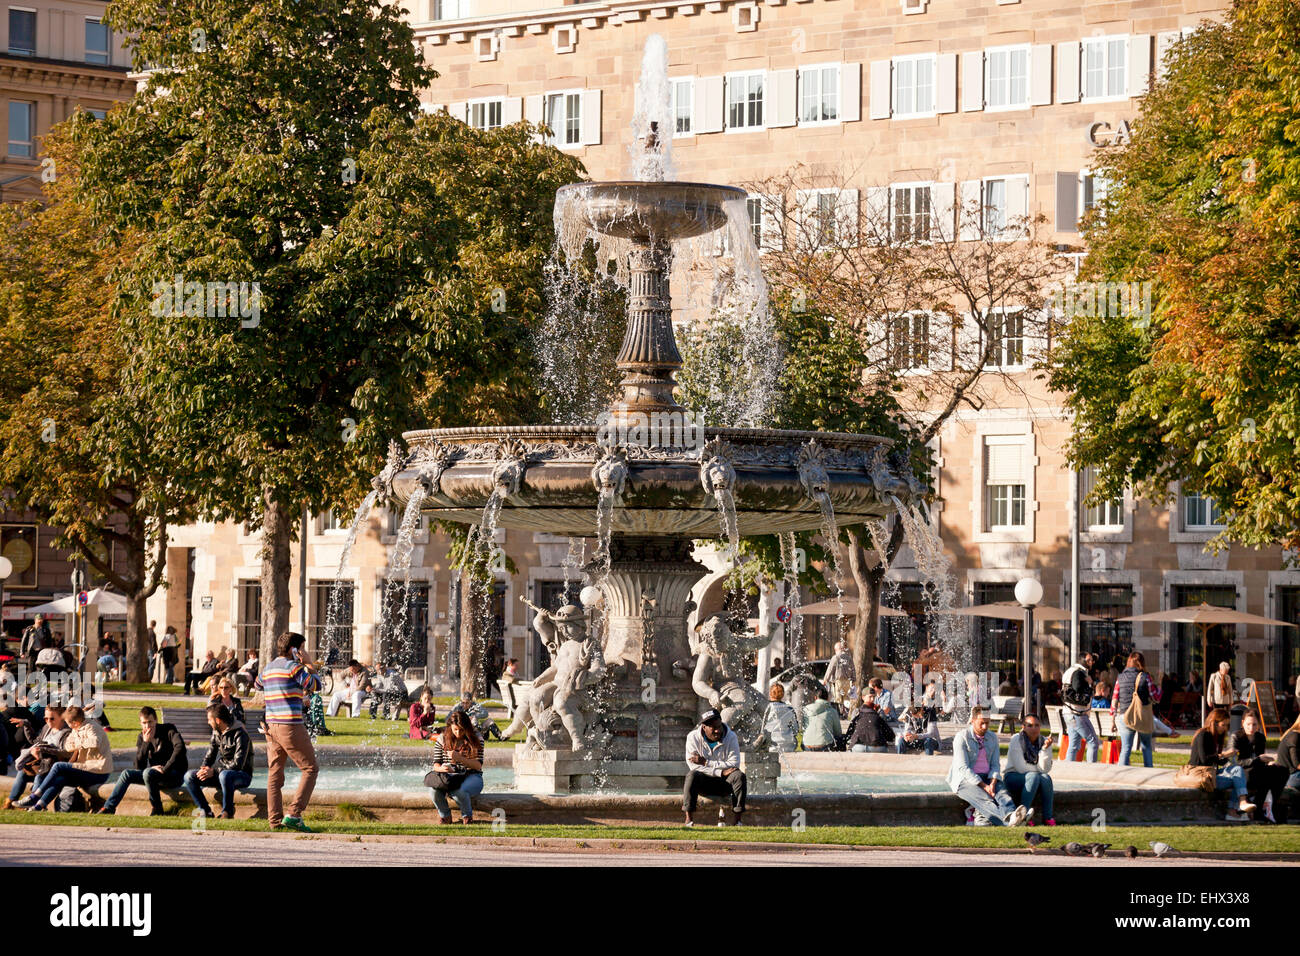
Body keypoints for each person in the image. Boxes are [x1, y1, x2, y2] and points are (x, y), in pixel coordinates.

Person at [255, 632, 321, 832]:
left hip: (271, 726)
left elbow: (257, 684)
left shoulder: (268, 668)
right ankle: (294, 814)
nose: (304, 652)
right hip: (290, 726)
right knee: (310, 768)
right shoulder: (294, 667)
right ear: (294, 650)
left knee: (275, 774)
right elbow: (316, 685)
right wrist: (308, 663)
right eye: (302, 648)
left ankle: (274, 821)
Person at [15, 705, 114, 811]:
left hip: (98, 772)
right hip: (86, 768)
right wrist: (78, 743)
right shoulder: (76, 729)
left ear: (75, 722)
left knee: (58, 766)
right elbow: (68, 746)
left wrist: (77, 743)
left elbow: (95, 742)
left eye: (68, 723)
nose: (67, 725)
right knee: (60, 779)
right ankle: (38, 806)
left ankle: (34, 796)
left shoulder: (91, 727)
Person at [97, 706, 188, 816]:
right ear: (140, 723)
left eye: (150, 722)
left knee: (148, 773)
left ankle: (157, 808)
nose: (147, 726)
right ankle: (109, 807)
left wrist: (165, 768)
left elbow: (180, 747)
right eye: (144, 723)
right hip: (154, 775)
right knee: (126, 774)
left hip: (174, 774)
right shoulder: (142, 737)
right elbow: (139, 767)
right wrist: (145, 743)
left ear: (156, 720)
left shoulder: (169, 729)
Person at [947, 707, 1029, 827]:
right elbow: (963, 768)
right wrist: (984, 786)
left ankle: (1012, 816)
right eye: (982, 723)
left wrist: (993, 782)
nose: (985, 727)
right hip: (965, 780)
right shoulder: (962, 737)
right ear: (973, 721)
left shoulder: (992, 737)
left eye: (987, 723)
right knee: (986, 800)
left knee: (1003, 795)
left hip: (988, 777)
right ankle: (1011, 822)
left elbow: (995, 764)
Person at [180, 703, 253, 819]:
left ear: (218, 720)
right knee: (189, 776)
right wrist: (204, 769)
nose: (208, 722)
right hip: (222, 774)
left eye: (209, 719)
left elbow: (238, 765)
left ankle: (227, 812)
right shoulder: (216, 733)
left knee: (225, 775)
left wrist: (214, 772)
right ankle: (205, 811)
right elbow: (210, 756)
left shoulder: (240, 734)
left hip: (241, 775)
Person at [1189, 707, 1256, 819]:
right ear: (1214, 723)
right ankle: (1234, 808)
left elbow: (1218, 761)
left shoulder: (1217, 737)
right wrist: (1224, 754)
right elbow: (1204, 760)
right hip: (1199, 775)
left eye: (1227, 725)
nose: (1225, 728)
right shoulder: (1203, 735)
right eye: (1223, 725)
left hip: (1211, 773)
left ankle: (1241, 804)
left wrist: (1230, 760)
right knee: (1237, 779)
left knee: (1238, 771)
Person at [683, 709, 746, 826]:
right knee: (692, 775)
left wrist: (706, 762)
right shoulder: (693, 737)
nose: (717, 730)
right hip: (705, 782)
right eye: (713, 728)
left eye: (719, 726)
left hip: (725, 783)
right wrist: (720, 772)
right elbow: (694, 766)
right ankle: (689, 819)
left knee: (739, 775)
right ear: (704, 727)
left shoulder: (731, 737)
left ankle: (738, 820)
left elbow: (734, 764)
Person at [3, 705, 67, 810]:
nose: (48, 721)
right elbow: (35, 741)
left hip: (53, 765)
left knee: (40, 775)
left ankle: (32, 803)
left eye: (52, 718)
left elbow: (65, 753)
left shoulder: (66, 732)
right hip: (41, 761)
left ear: (61, 717)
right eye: (46, 718)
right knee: (23, 772)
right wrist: (26, 725)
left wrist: (43, 750)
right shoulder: (47, 728)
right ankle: (10, 802)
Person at [427, 708, 484, 824]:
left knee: (458, 791)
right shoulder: (442, 739)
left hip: (472, 775)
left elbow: (478, 765)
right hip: (449, 777)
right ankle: (445, 816)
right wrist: (441, 768)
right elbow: (436, 764)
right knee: (433, 791)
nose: (458, 733)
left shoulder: (476, 738)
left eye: (462, 730)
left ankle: (467, 817)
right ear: (450, 727)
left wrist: (460, 759)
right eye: (455, 730)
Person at [1004, 713, 1055, 826]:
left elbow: (1045, 769)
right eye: (1030, 725)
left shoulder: (1045, 741)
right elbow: (1021, 768)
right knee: (1034, 776)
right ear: (1023, 727)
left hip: (1033, 778)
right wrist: (1038, 770)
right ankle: (1022, 816)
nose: (1034, 729)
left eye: (1037, 725)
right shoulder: (1016, 739)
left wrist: (1045, 749)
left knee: (1046, 778)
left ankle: (1048, 818)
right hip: (1013, 776)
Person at [1234, 711, 1285, 823]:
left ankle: (1270, 806)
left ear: (1259, 725)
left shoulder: (1260, 737)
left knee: (1281, 771)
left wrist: (1268, 763)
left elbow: (1261, 758)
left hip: (1257, 769)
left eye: (1254, 724)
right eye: (1248, 724)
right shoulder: (1237, 736)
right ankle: (1259, 809)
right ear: (1242, 723)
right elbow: (1236, 762)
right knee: (1264, 776)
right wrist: (1258, 760)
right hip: (1242, 772)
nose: (1251, 727)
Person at [1111, 652, 1155, 768]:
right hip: (1141, 715)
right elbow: (1155, 696)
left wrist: (1113, 718)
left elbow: (1114, 698)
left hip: (1124, 716)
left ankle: (1121, 772)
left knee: (1125, 748)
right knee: (1146, 746)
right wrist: (1159, 686)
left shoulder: (1120, 677)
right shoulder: (1145, 677)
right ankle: (1148, 770)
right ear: (1141, 663)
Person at [1061, 652, 1100, 762]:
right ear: (1082, 660)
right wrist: (1090, 684)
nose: (1091, 662)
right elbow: (1077, 687)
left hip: (1069, 712)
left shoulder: (1070, 670)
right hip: (1077, 713)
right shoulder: (1079, 673)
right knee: (1093, 742)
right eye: (1089, 660)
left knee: (1073, 745)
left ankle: (1069, 768)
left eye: (1092, 660)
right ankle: (1091, 768)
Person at [800, 684, 842, 751]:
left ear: (815, 698)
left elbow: (803, 727)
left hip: (806, 745)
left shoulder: (806, 709)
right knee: (839, 740)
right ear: (827, 698)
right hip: (825, 745)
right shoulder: (832, 711)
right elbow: (838, 732)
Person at [760, 683, 799, 753]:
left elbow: (761, 729)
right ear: (783, 695)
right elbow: (795, 730)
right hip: (789, 746)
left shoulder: (766, 708)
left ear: (770, 694)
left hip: (771, 746)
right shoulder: (789, 709)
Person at [822, 641, 855, 716]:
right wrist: (853, 680)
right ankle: (845, 714)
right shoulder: (849, 658)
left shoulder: (836, 657)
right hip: (847, 682)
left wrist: (825, 680)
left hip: (838, 682)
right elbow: (853, 669)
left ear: (836, 649)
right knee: (846, 699)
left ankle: (838, 715)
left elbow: (830, 669)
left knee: (838, 699)